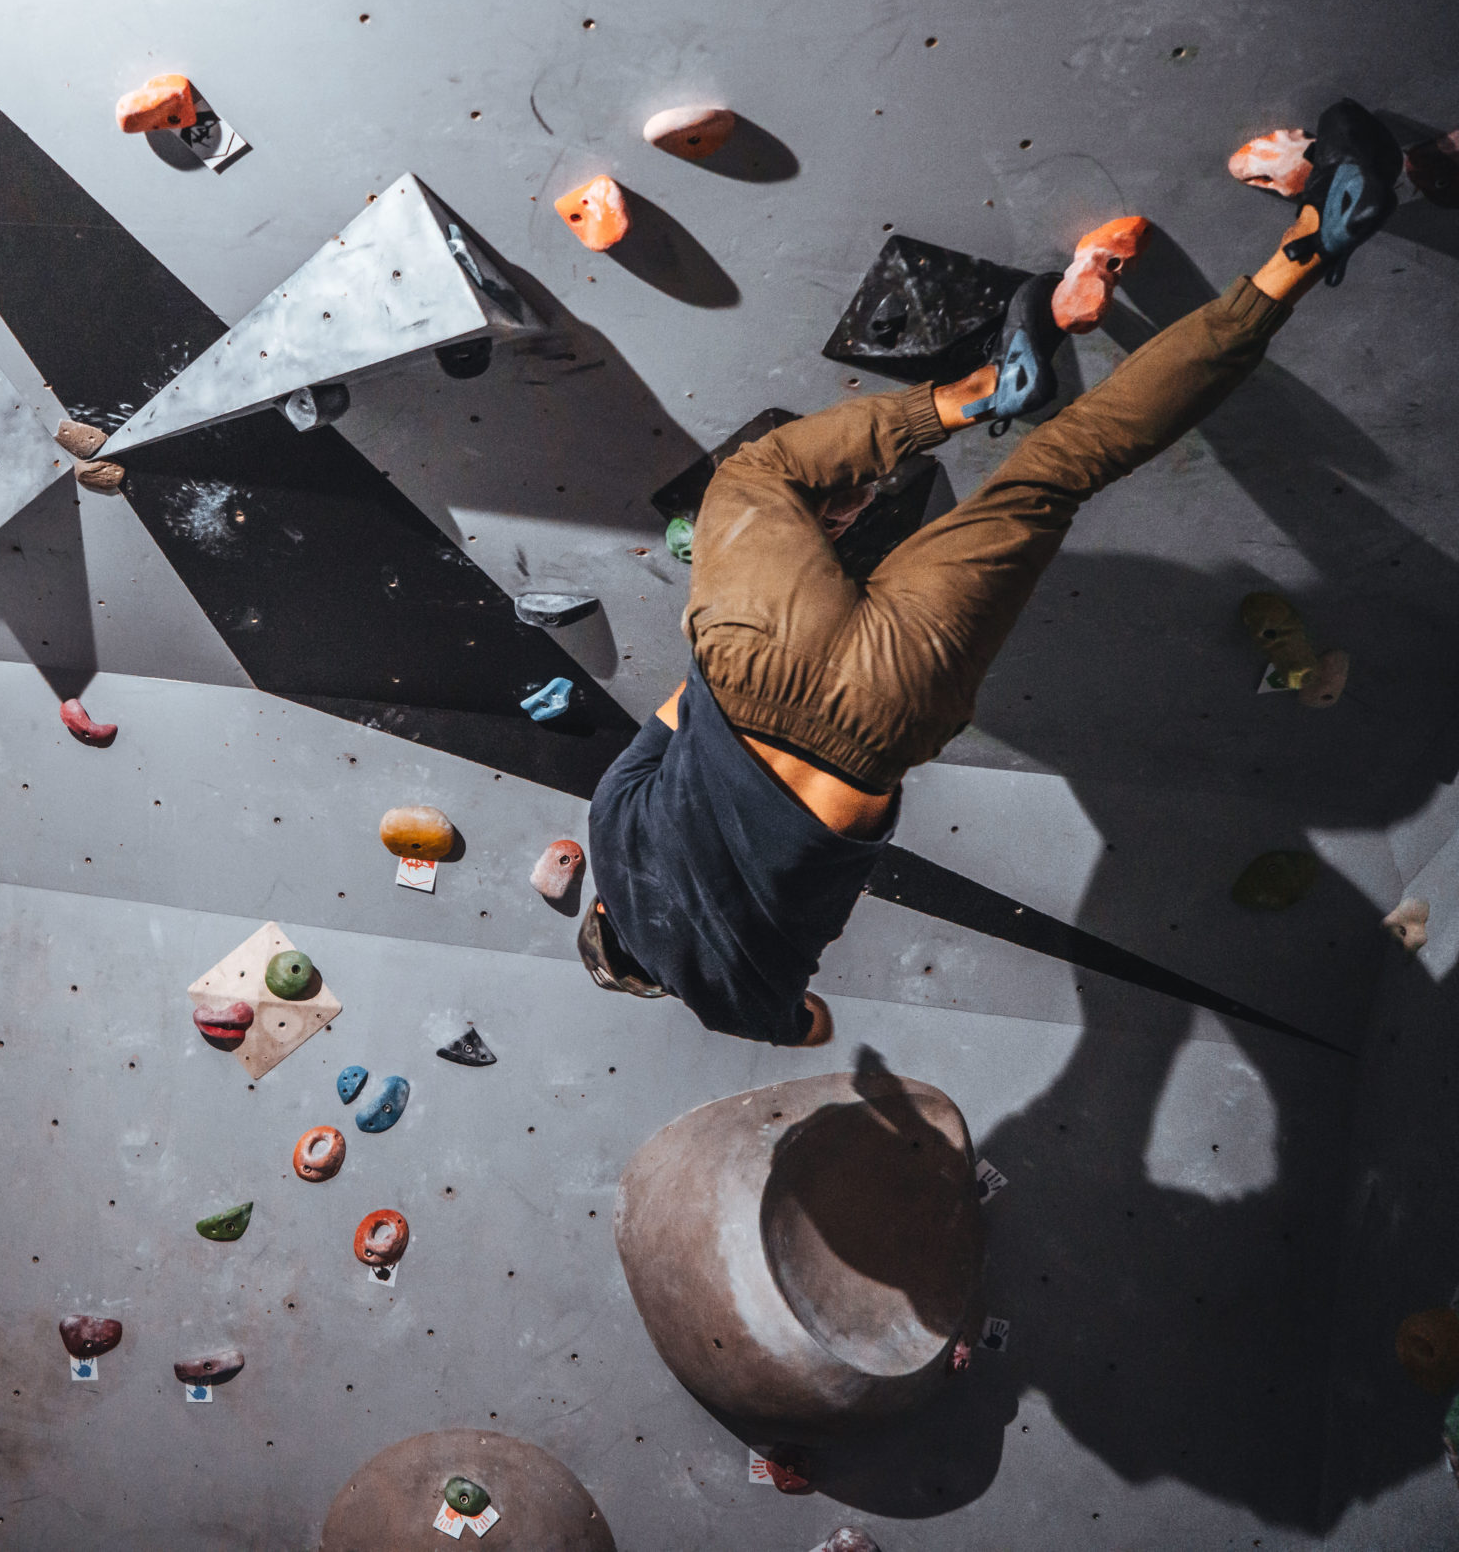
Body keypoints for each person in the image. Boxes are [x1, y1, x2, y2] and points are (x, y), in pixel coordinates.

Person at [582, 98, 1407, 1048]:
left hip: (886, 721)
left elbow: (812, 1027)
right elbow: (683, 705)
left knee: (1063, 470)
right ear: (599, 915)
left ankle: (1311, 241)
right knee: (755, 476)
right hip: (754, 673)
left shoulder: (735, 1002)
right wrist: (793, 559)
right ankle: (978, 393)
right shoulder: (609, 832)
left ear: (652, 981)